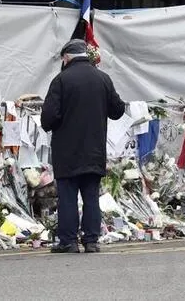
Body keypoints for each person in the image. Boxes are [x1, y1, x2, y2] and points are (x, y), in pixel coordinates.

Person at [41, 39, 125, 253]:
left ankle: (68, 241)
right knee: (91, 195)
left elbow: (48, 119)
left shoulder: (61, 80)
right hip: (94, 150)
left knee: (68, 197)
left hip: (67, 151)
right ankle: (91, 240)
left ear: (66, 57)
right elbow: (117, 110)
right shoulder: (103, 78)